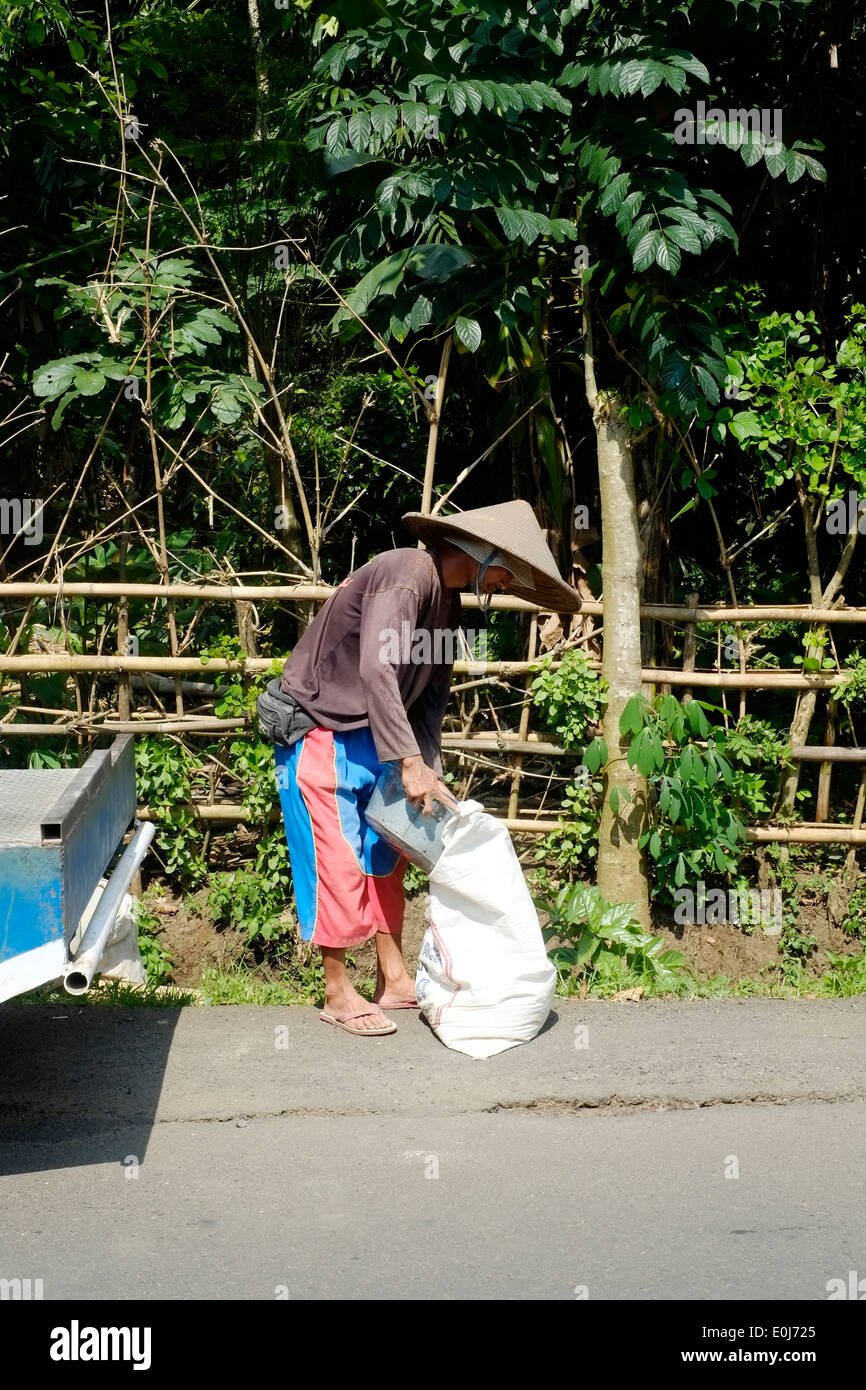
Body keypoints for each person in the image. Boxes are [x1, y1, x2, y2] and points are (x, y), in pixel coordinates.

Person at [273, 499, 580, 1036]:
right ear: (480, 552)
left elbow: (430, 697)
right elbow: (377, 668)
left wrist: (426, 770)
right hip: (321, 729)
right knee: (339, 861)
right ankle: (337, 991)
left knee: (385, 856)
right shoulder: (406, 572)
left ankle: (392, 979)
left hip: (376, 739)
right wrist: (408, 762)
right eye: (510, 570)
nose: (509, 583)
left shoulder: (447, 603)